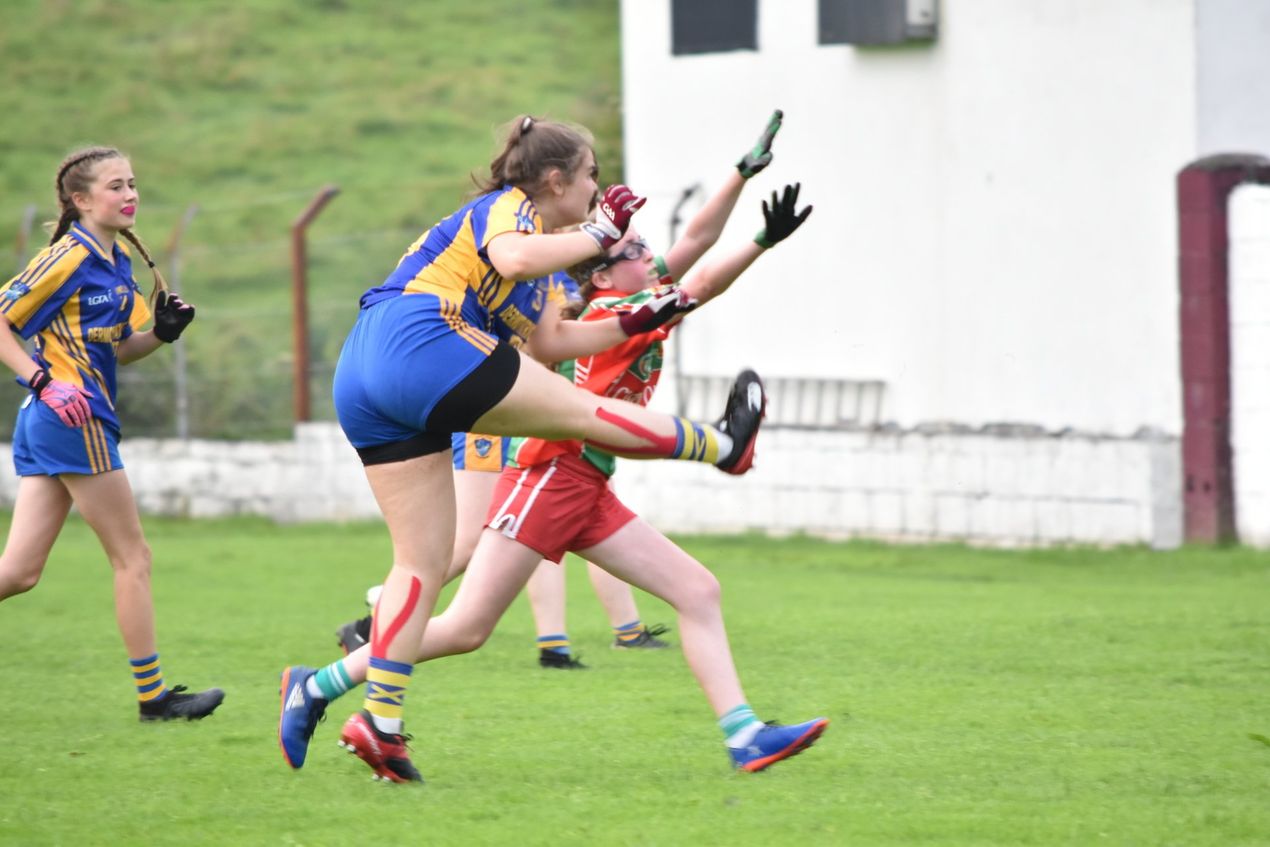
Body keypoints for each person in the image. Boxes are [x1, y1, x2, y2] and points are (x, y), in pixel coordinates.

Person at [279, 113, 770, 783]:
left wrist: (644, 312)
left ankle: (379, 721)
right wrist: (600, 232)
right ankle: (723, 445)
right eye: (592, 176)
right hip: (418, 337)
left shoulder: (543, 268)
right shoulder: (509, 211)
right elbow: (511, 258)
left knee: (419, 565)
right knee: (584, 414)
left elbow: (553, 344)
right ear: (555, 179)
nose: (599, 189)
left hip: (364, 370)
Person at [0, 146, 224, 722]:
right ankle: (155, 699)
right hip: (72, 418)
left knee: (19, 572)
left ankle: (154, 699)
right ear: (80, 200)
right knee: (133, 557)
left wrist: (162, 334)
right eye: (115, 186)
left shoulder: (115, 258)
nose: (130, 195)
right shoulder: (68, 257)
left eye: (132, 184)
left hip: (62, 419)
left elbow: (117, 350)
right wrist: (45, 382)